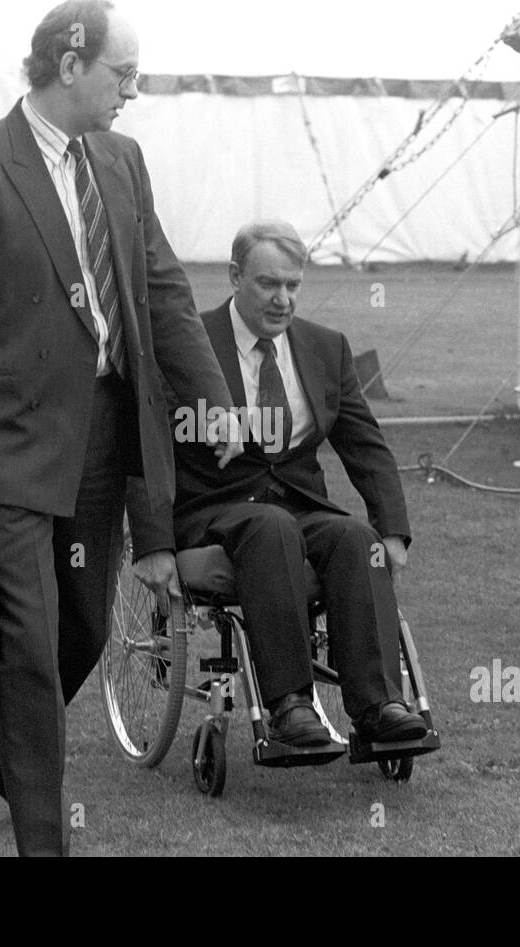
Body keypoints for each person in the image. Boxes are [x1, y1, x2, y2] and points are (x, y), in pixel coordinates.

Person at [0, 0, 240, 857]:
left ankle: (10, 750)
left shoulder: (124, 162)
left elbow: (160, 288)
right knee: (28, 643)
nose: (135, 90)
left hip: (105, 440)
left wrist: (212, 401)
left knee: (86, 630)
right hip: (8, 450)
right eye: (123, 74)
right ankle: (43, 842)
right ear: (68, 61)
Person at [127, 220, 428, 749]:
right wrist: (152, 545)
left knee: (356, 537)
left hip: (299, 507)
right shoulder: (185, 345)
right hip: (213, 513)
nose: (283, 299)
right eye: (269, 284)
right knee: (269, 527)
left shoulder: (325, 348)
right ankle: (290, 706)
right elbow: (142, 448)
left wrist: (394, 531)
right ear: (235, 277)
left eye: (293, 285)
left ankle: (380, 706)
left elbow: (367, 447)